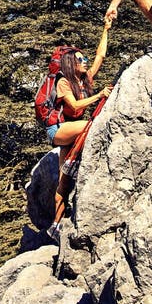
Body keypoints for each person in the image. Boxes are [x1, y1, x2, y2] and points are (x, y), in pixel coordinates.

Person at [46, 19, 113, 241]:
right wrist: (99, 95)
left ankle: (55, 226)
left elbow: (100, 56)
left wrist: (106, 29)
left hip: (71, 131)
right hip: (58, 130)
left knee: (63, 182)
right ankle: (72, 161)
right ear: (71, 64)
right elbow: (74, 106)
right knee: (90, 125)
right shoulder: (63, 82)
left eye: (84, 59)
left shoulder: (84, 80)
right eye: (81, 60)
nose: (85, 62)